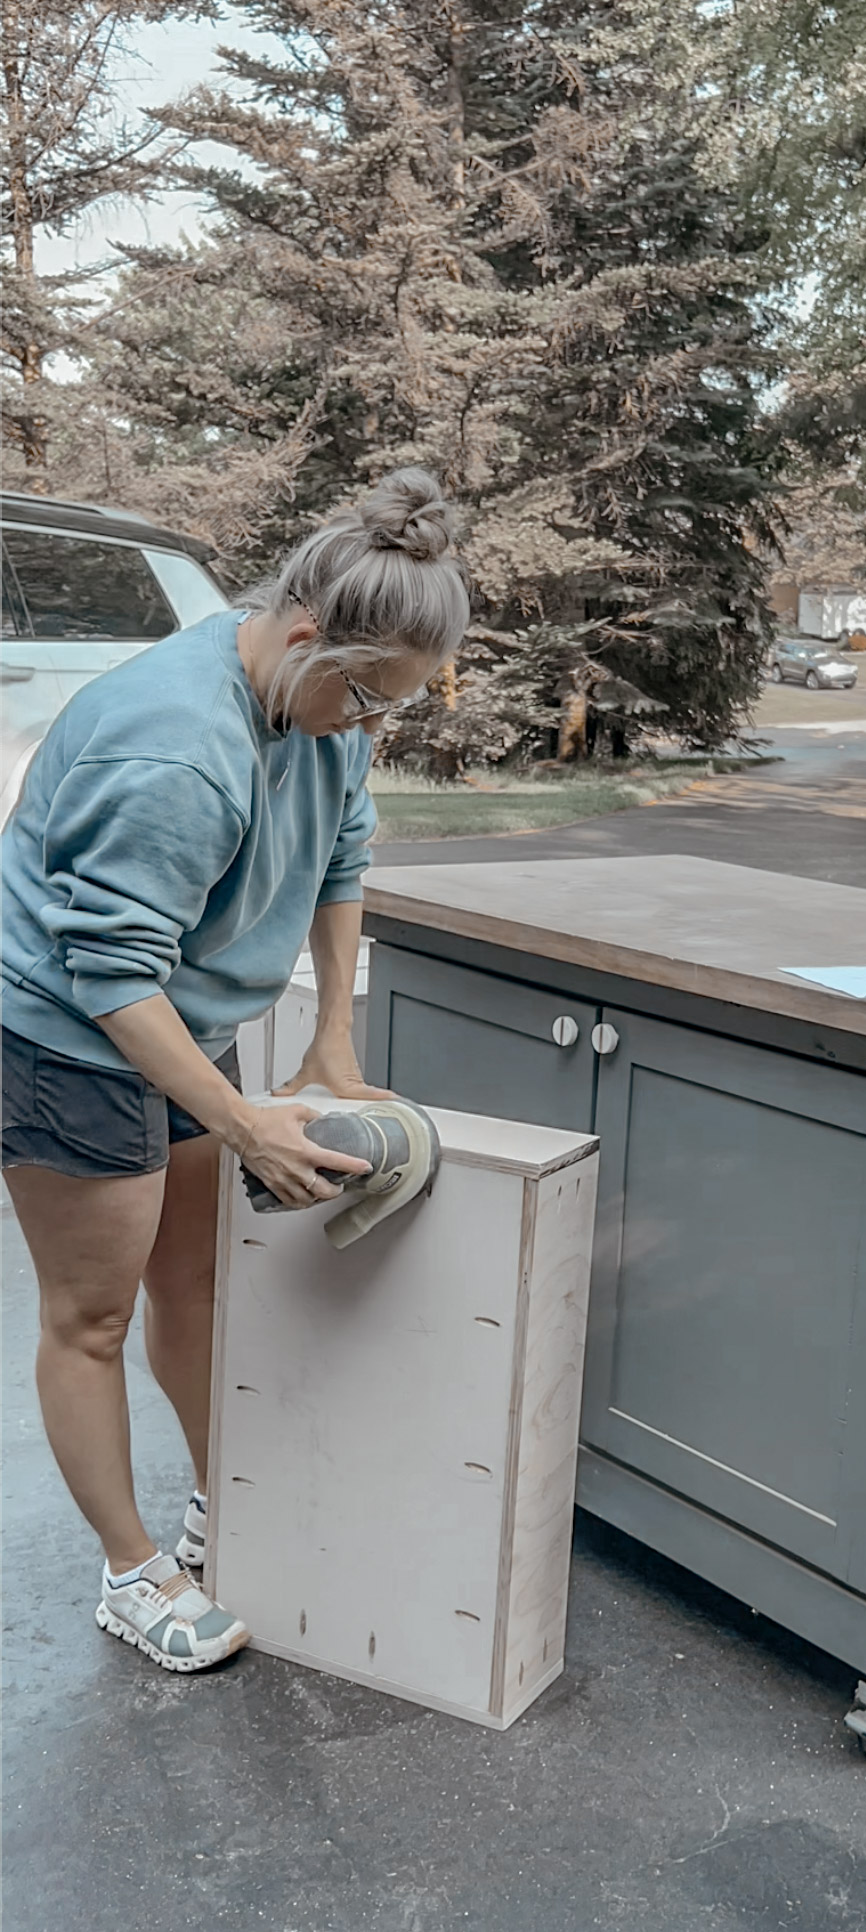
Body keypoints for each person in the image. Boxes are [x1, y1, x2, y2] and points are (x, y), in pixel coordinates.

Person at [1, 468, 469, 1673]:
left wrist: (330, 1039)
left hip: (177, 1015)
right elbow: (106, 976)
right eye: (366, 699)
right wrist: (247, 1126)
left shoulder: (319, 704)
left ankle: (233, 1500)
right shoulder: (177, 748)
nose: (371, 727)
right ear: (307, 636)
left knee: (197, 1284)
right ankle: (132, 1570)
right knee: (92, 1314)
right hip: (63, 1035)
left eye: (392, 710)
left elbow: (344, 852)